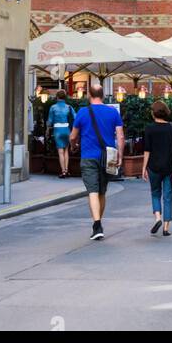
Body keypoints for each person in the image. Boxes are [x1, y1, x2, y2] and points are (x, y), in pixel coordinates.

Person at [70, 84, 124, 240]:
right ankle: (98, 223)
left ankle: (97, 224)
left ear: (89, 95)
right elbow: (120, 136)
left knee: (92, 191)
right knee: (102, 191)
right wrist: (120, 155)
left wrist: (74, 146)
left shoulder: (82, 112)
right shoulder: (113, 112)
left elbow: (73, 136)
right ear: (103, 95)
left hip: (88, 156)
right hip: (108, 157)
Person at [142, 100, 172, 236]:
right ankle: (166, 227)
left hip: (153, 166)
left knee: (155, 193)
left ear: (153, 113)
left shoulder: (149, 128)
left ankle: (157, 217)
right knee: (168, 196)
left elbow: (147, 150)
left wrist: (143, 168)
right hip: (169, 166)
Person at [47, 91, 75, 177]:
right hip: (66, 129)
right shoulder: (69, 107)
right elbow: (75, 117)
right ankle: (67, 170)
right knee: (66, 150)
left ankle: (63, 171)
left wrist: (47, 130)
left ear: (57, 97)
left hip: (57, 130)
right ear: (65, 97)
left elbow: (50, 121)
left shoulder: (53, 107)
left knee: (60, 151)